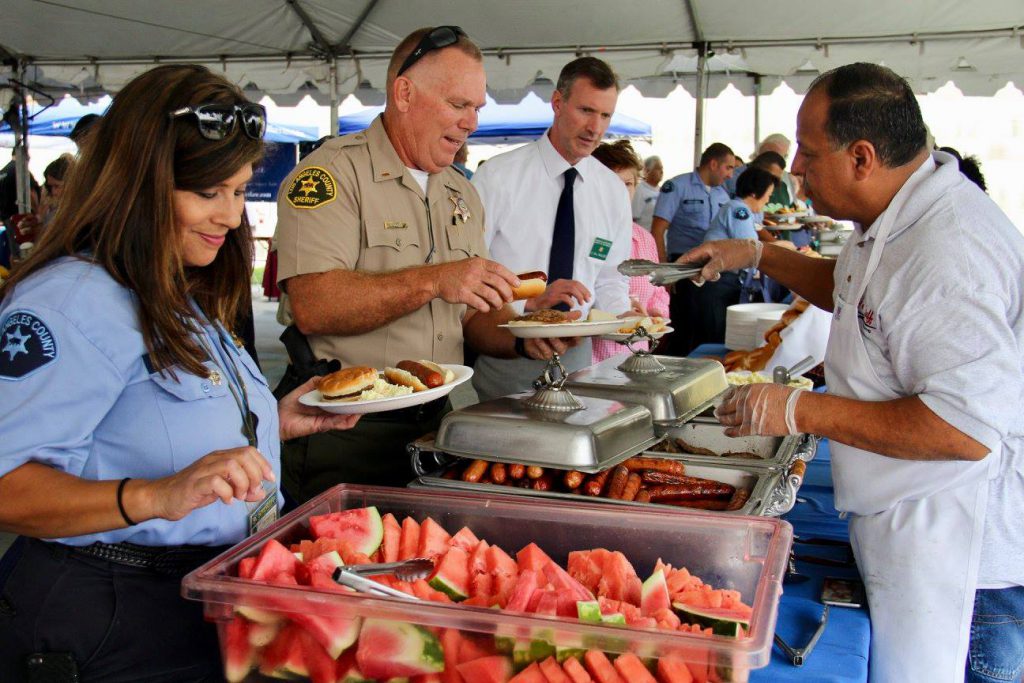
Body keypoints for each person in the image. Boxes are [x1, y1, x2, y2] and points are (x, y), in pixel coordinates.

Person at [0, 64, 360, 682]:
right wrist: (154, 496)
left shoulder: (172, 289)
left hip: (192, 601)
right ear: (139, 185)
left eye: (242, 190)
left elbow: (148, 426)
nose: (231, 215)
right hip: (109, 619)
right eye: (208, 192)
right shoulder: (69, 303)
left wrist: (274, 423)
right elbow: (7, 485)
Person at [682, 62, 1024, 682]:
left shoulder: (948, 251)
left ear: (862, 157)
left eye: (809, 155)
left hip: (963, 556)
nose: (797, 171)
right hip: (907, 514)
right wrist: (761, 253)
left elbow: (962, 430)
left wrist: (798, 409)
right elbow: (855, 291)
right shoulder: (896, 216)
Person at [273, 26, 566, 500]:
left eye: (477, 108)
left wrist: (525, 336)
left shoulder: (461, 191)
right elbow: (314, 304)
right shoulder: (330, 174)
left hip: (436, 424)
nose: (471, 122)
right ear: (404, 93)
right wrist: (435, 280)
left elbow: (469, 316)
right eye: (458, 104)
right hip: (344, 427)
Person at [471, 56, 633, 399]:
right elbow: (471, 275)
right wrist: (528, 302)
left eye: (605, 115)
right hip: (507, 352)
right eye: (586, 110)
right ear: (557, 104)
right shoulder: (498, 177)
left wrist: (627, 317)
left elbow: (608, 279)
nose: (596, 128)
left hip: (579, 360)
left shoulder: (612, 190)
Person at [651, 142, 734, 356]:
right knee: (686, 328)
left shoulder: (722, 194)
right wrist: (666, 271)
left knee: (709, 326)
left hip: (712, 267)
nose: (730, 175)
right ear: (713, 164)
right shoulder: (677, 186)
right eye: (728, 168)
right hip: (684, 266)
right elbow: (658, 229)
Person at [589, 141, 669, 363]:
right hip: (595, 354)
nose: (621, 192)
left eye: (628, 184)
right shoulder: (587, 236)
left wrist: (656, 316)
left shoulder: (644, 238)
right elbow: (586, 287)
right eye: (612, 184)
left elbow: (657, 289)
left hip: (636, 349)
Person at [689, 166, 777, 347]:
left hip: (725, 280)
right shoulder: (739, 211)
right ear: (754, 193)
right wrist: (785, 248)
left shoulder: (740, 210)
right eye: (768, 195)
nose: (768, 201)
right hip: (719, 283)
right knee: (716, 337)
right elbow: (752, 249)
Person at [631, 154, 663, 230]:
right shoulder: (639, 190)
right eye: (658, 168)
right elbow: (633, 219)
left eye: (662, 168)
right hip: (644, 238)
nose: (661, 172)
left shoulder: (662, 191)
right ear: (648, 171)